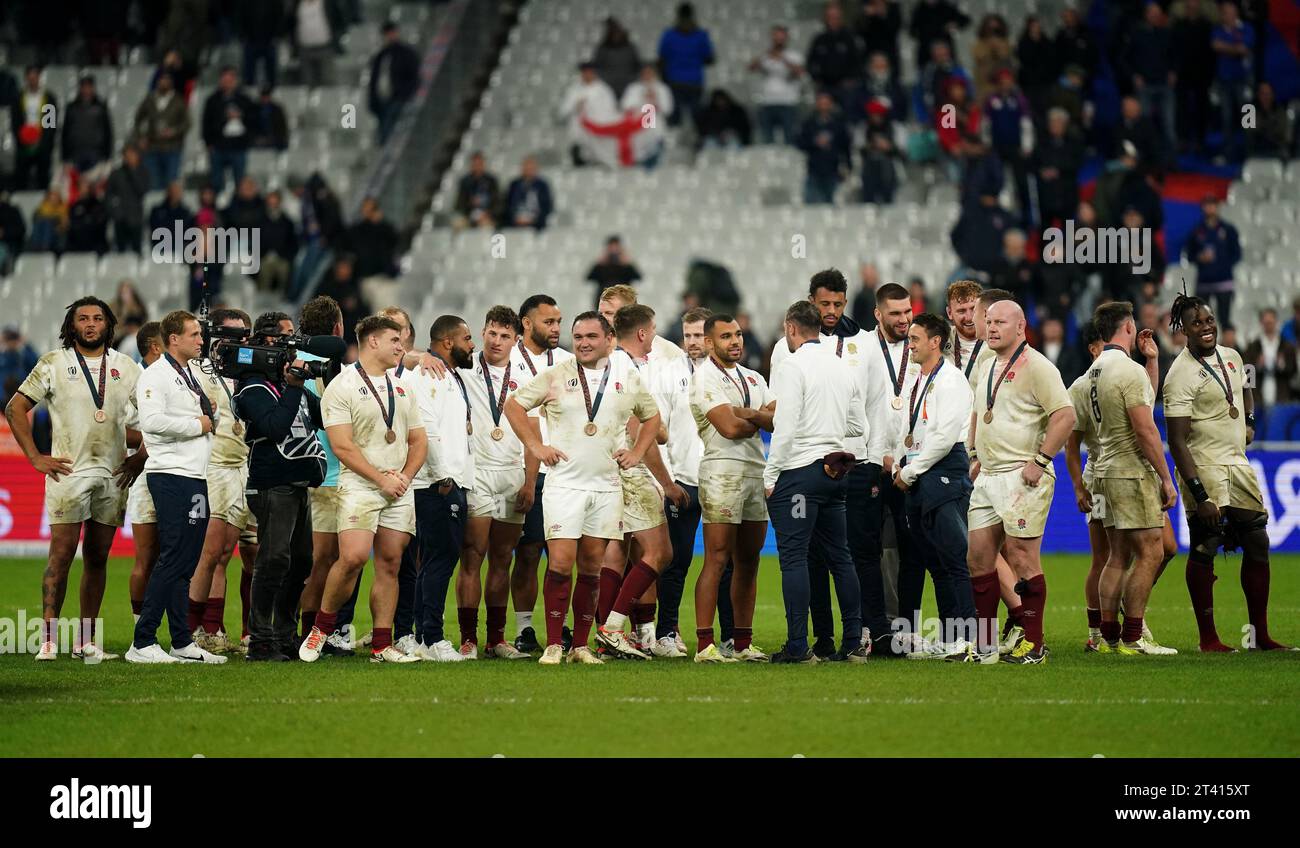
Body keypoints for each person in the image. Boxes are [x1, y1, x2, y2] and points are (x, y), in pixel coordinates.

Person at [7, 298, 142, 661]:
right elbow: (15, 408)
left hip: (112, 474)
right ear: (72, 325)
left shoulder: (126, 367)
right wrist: (35, 456)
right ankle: (49, 637)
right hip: (68, 471)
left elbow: (151, 419)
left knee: (98, 556)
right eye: (83, 318)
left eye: (98, 318)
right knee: (62, 552)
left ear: (108, 325)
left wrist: (140, 457)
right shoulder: (54, 362)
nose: (91, 324)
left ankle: (86, 640)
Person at [1165, 294, 1292, 652]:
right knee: (1206, 544)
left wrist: (1249, 421)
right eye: (1197, 323)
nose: (1206, 328)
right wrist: (1200, 494)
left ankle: (1259, 636)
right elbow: (1176, 440)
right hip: (1204, 466)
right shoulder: (1179, 375)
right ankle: (1209, 639)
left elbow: (1245, 391)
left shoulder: (1233, 357)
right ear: (1184, 330)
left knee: (1257, 541)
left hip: (1237, 463)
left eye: (1208, 321)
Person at [299, 315, 425, 664]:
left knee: (390, 562)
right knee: (352, 557)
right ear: (372, 342)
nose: (402, 347)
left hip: (398, 486)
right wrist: (381, 478)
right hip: (360, 484)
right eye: (395, 341)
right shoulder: (342, 385)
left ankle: (382, 645)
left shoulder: (404, 387)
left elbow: (418, 440)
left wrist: (404, 476)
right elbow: (342, 446)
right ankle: (321, 629)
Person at [769, 269, 877, 657]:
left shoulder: (792, 365)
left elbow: (784, 427)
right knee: (842, 557)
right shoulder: (842, 367)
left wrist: (771, 475)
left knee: (795, 558)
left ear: (790, 329)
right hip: (836, 475)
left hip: (799, 474)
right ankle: (852, 642)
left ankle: (798, 644)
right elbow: (858, 425)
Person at [966, 301, 1075, 663]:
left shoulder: (1039, 366)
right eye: (989, 321)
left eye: (1000, 322)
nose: (992, 327)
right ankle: (983, 645)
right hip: (988, 475)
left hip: (1021, 475)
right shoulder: (985, 364)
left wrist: (1041, 460)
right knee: (978, 558)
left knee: (1022, 558)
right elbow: (979, 412)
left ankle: (1034, 643)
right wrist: (973, 454)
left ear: (1021, 326)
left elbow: (1065, 416)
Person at [589, 305, 690, 660]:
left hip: (605, 467)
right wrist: (667, 483)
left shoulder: (609, 364)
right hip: (630, 471)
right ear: (644, 333)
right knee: (660, 552)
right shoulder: (627, 370)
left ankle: (615, 634)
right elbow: (643, 433)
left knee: (617, 554)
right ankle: (613, 628)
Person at [128, 310, 225, 664]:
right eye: (195, 335)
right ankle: (142, 641)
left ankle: (181, 641)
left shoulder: (187, 372)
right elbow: (151, 422)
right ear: (173, 339)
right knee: (172, 557)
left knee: (187, 559)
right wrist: (197, 423)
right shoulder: (156, 374)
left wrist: (204, 411)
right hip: (171, 474)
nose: (202, 340)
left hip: (194, 475)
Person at [235, 314, 327, 661]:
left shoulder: (293, 384)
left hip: (298, 482)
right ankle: (260, 640)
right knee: (273, 560)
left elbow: (324, 417)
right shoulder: (253, 385)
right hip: (271, 483)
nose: (293, 341)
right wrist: (293, 386)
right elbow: (274, 427)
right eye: (287, 335)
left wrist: (326, 381)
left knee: (302, 562)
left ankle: (286, 635)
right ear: (269, 340)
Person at [1089, 302, 1179, 655]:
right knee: (1151, 552)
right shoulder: (1127, 371)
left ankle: (1109, 634)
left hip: (1103, 471)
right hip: (1131, 471)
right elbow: (1145, 428)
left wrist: (1151, 362)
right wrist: (1165, 478)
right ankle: (1134, 636)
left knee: (1116, 556)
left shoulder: (1092, 373)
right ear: (1128, 327)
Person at [690, 312, 774, 662]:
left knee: (749, 560)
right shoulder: (703, 377)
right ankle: (705, 644)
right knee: (718, 557)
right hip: (722, 472)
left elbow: (776, 420)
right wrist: (757, 416)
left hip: (756, 472)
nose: (735, 342)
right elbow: (729, 428)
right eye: (726, 337)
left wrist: (748, 414)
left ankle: (742, 643)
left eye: (738, 335)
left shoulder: (754, 377)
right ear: (709, 343)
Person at [891, 312, 975, 658]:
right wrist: (900, 462)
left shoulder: (951, 380)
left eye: (914, 339)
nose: (909, 344)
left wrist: (910, 472)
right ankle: (950, 636)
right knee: (937, 561)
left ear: (935, 342)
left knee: (953, 558)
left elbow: (942, 438)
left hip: (943, 471)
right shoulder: (918, 380)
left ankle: (968, 638)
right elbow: (910, 430)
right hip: (920, 471)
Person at [454, 307, 532, 660]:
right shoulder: (463, 366)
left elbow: (535, 433)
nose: (496, 341)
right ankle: (468, 638)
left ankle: (496, 640)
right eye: (491, 333)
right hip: (477, 474)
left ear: (516, 340)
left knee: (503, 557)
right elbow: (417, 357)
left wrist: (530, 482)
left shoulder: (530, 376)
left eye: (504, 336)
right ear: (482, 332)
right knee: (473, 554)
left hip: (512, 475)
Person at [401, 315, 476, 661]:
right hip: (437, 483)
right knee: (440, 559)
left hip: (449, 479)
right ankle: (432, 638)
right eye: (467, 338)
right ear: (447, 342)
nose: (472, 345)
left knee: (433, 559)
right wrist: (442, 476)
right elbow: (426, 427)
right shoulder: (426, 374)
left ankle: (421, 635)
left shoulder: (450, 374)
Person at [507, 294, 575, 653]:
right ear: (527, 323)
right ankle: (524, 628)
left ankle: (560, 626)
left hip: (562, 471)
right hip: (519, 469)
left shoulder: (568, 362)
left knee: (560, 554)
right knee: (528, 552)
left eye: (559, 322)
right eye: (549, 322)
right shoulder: (505, 361)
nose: (556, 329)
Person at [187, 309, 256, 656]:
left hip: (243, 466)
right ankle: (193, 627)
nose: (239, 342)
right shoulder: (198, 371)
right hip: (212, 465)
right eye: (231, 335)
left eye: (244, 336)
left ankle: (213, 628)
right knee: (210, 551)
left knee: (227, 552)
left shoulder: (249, 370)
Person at [656, 306, 723, 656]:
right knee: (676, 560)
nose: (693, 342)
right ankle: (666, 632)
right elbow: (658, 429)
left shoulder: (728, 374)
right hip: (683, 482)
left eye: (699, 335)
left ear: (711, 337)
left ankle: (728, 637)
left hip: (720, 481)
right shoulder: (668, 374)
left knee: (724, 560)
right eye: (688, 335)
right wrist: (668, 481)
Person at [295, 296, 352, 654]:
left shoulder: (294, 364)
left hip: (299, 471)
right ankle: (311, 632)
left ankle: (302, 630)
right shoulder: (334, 372)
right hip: (329, 476)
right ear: (337, 328)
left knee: (306, 562)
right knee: (322, 562)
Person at [123, 322, 162, 626]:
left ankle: (182, 628)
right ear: (156, 347)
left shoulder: (169, 378)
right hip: (145, 474)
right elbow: (120, 432)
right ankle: (140, 627)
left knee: (173, 557)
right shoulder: (133, 380)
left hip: (174, 472)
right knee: (146, 557)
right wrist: (158, 437)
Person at [1183, 196, 1241, 328]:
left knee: (1225, 318)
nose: (1210, 208)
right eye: (1207, 205)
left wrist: (1223, 264)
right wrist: (1200, 258)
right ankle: (1203, 346)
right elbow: (1189, 255)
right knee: (1200, 318)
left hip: (1224, 281)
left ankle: (1226, 346)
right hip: (1204, 282)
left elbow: (1237, 254)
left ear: (1218, 207)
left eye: (1212, 205)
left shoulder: (1228, 229)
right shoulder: (1197, 231)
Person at [657, 2, 714, 127]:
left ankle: (674, 141)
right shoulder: (701, 35)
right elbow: (709, 59)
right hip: (694, 81)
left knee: (675, 115)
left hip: (674, 80)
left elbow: (661, 58)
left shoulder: (669, 35)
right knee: (697, 116)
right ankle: (699, 140)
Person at [201, 67, 256, 194]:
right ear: (220, 80)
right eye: (225, 79)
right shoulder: (212, 100)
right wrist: (208, 143)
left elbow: (253, 121)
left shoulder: (245, 100)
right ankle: (215, 210)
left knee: (240, 182)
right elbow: (206, 123)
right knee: (216, 183)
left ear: (235, 80)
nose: (227, 82)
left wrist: (240, 117)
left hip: (239, 147)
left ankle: (238, 210)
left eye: (230, 79)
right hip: (218, 146)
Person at [1211, 2, 1254, 163]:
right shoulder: (1218, 29)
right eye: (1224, 13)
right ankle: (1228, 155)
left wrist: (1226, 47)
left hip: (1244, 81)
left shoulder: (1246, 28)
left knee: (1248, 120)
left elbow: (1245, 49)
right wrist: (1235, 49)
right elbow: (1215, 45)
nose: (1226, 16)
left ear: (1236, 14)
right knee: (1226, 120)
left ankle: (1251, 154)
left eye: (1229, 13)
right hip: (1224, 81)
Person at [748, 25, 804, 145]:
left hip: (788, 102)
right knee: (767, 140)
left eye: (781, 37)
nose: (778, 40)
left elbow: (800, 72)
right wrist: (765, 56)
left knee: (790, 139)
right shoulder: (766, 56)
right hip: (767, 101)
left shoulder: (794, 55)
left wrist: (783, 59)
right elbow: (751, 67)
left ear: (786, 38)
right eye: (776, 37)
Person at [806, 3, 862, 119]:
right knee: (823, 117)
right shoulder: (819, 39)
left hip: (845, 87)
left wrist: (851, 79)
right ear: (825, 18)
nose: (833, 20)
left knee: (848, 117)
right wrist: (816, 79)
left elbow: (857, 61)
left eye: (836, 17)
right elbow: (810, 62)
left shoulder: (849, 38)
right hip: (825, 86)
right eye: (830, 17)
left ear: (841, 18)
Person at [368, 20, 420, 144]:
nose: (390, 36)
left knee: (390, 135)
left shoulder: (407, 54)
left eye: (392, 33)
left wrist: (404, 94)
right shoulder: (380, 56)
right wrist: (373, 101)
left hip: (399, 99)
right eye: (387, 34)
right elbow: (374, 80)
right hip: (381, 102)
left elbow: (415, 78)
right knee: (384, 134)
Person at [798, 91, 850, 205]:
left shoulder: (838, 124)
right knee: (811, 205)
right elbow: (800, 143)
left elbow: (845, 146)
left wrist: (847, 166)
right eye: (821, 103)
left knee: (832, 205)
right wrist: (814, 142)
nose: (824, 106)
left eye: (826, 103)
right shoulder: (809, 124)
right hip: (814, 169)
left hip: (833, 170)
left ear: (831, 104)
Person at [11, 66, 58, 191]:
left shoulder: (48, 98)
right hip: (24, 145)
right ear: (26, 79)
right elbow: (15, 123)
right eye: (30, 78)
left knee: (43, 179)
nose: (32, 81)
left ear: (39, 78)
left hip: (42, 146)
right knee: (21, 180)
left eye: (35, 77)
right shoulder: (18, 98)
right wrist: (22, 140)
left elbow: (51, 125)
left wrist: (42, 143)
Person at [1244, 308, 1297, 409]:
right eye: (1266, 323)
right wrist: (1258, 365)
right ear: (1261, 323)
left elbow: (1293, 372)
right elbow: (1247, 375)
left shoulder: (1287, 346)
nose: (1268, 325)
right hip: (1258, 397)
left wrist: (1282, 366)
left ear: (1276, 322)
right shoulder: (1253, 347)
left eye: (1271, 322)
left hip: (1281, 396)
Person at [62, 74, 114, 174]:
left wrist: (107, 156)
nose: (86, 90)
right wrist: (65, 158)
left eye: (89, 87)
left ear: (93, 88)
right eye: (84, 87)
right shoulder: (71, 107)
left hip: (96, 154)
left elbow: (108, 132)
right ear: (80, 88)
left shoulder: (101, 107)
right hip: (75, 154)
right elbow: (65, 133)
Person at [105, 145, 149, 254]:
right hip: (120, 217)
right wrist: (114, 211)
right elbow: (108, 195)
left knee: (136, 249)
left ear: (137, 156)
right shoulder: (116, 173)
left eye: (131, 155)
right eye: (126, 155)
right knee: (120, 250)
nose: (128, 158)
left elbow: (142, 190)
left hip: (135, 217)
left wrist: (133, 172)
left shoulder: (143, 172)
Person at [291, 0, 343, 87]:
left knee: (328, 81)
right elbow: (291, 23)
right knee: (307, 82)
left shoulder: (328, 3)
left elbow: (339, 20)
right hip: (304, 49)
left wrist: (336, 38)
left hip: (325, 48)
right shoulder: (297, 4)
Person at [591, 17, 642, 100]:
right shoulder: (603, 49)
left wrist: (631, 79)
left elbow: (637, 65)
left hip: (628, 86)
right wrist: (606, 80)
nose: (616, 36)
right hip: (607, 87)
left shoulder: (630, 48)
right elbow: (597, 67)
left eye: (618, 33)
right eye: (613, 34)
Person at [452, 151, 500, 231]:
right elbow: (459, 204)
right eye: (475, 164)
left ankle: (485, 243)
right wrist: (470, 204)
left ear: (483, 164)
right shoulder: (465, 181)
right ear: (471, 165)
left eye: (479, 164)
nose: (477, 166)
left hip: (486, 216)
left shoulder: (492, 181)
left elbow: (497, 203)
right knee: (457, 224)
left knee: (486, 227)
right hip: (468, 215)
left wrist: (488, 214)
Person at [585, 239, 642, 305]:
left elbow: (638, 277)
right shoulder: (602, 264)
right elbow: (589, 277)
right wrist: (598, 264)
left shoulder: (625, 264)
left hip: (623, 298)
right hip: (604, 298)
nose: (614, 250)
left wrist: (628, 264)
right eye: (611, 247)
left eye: (616, 247)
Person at [504, 157, 554, 231]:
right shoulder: (514, 184)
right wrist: (516, 218)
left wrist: (534, 219)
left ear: (536, 169)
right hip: (516, 222)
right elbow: (508, 204)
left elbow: (547, 206)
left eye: (531, 168)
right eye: (526, 167)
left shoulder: (542, 185)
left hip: (536, 223)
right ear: (522, 168)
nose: (528, 170)